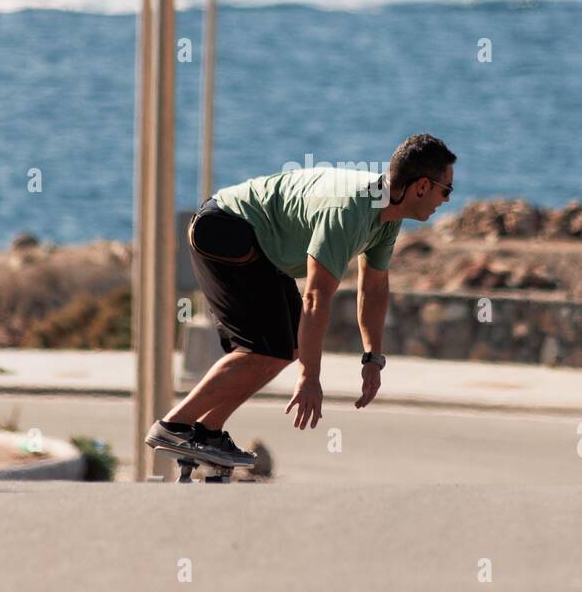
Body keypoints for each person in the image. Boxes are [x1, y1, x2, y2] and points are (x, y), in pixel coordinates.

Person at [144, 133, 457, 468]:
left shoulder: (386, 216)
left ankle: (207, 431)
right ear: (422, 186)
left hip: (259, 246)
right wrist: (309, 377)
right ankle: (174, 426)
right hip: (225, 229)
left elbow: (375, 288)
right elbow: (315, 296)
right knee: (266, 347)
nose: (446, 200)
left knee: (289, 345)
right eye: (446, 190)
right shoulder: (349, 212)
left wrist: (372, 357)